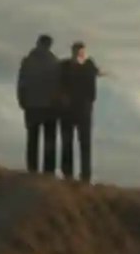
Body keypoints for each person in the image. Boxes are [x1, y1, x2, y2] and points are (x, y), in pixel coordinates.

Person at [59, 41, 103, 183]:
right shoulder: (87, 68)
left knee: (72, 144)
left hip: (73, 111)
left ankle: (72, 175)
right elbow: (92, 93)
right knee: (81, 145)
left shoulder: (66, 67)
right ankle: (81, 176)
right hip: (80, 111)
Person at [16, 34, 61, 174]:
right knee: (49, 141)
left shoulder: (28, 61)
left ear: (38, 43)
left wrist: (22, 101)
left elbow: (21, 84)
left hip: (32, 106)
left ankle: (32, 170)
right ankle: (49, 172)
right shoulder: (54, 62)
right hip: (50, 107)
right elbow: (59, 85)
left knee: (32, 140)